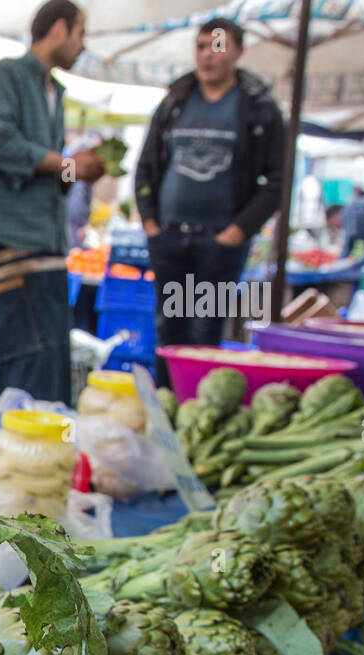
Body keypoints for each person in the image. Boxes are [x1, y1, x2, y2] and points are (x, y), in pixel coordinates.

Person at [135, 17, 285, 384]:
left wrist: (237, 231)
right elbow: (146, 169)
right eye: (201, 46)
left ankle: (195, 410)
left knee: (204, 334)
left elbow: (278, 180)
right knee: (170, 331)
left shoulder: (257, 107)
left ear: (238, 52)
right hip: (171, 239)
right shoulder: (176, 102)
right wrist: (151, 225)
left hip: (219, 244)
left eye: (217, 46)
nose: (207, 55)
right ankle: (166, 408)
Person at [0, 0, 102, 402]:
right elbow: (1, 146)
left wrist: (77, 169)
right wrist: (69, 164)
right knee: (24, 366)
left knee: (51, 365)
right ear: (58, 29)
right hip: (11, 244)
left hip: (48, 247)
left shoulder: (54, 91)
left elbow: (54, 175)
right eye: (80, 33)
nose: (82, 45)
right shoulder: (3, 76)